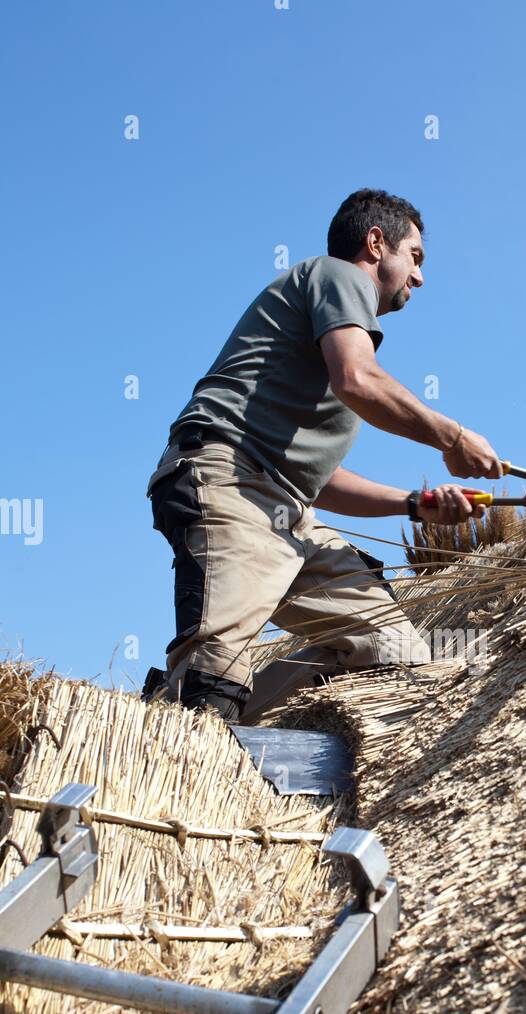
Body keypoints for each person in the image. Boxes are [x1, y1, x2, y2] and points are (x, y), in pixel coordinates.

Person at [144, 188, 503, 724]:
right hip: (230, 482)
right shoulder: (339, 277)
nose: (421, 277)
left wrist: (414, 504)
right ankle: (174, 731)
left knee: (391, 652)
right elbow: (359, 379)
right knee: (213, 673)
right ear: (376, 243)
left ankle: (248, 727)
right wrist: (451, 437)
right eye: (417, 258)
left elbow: (320, 480)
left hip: (286, 507)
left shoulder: (326, 341)